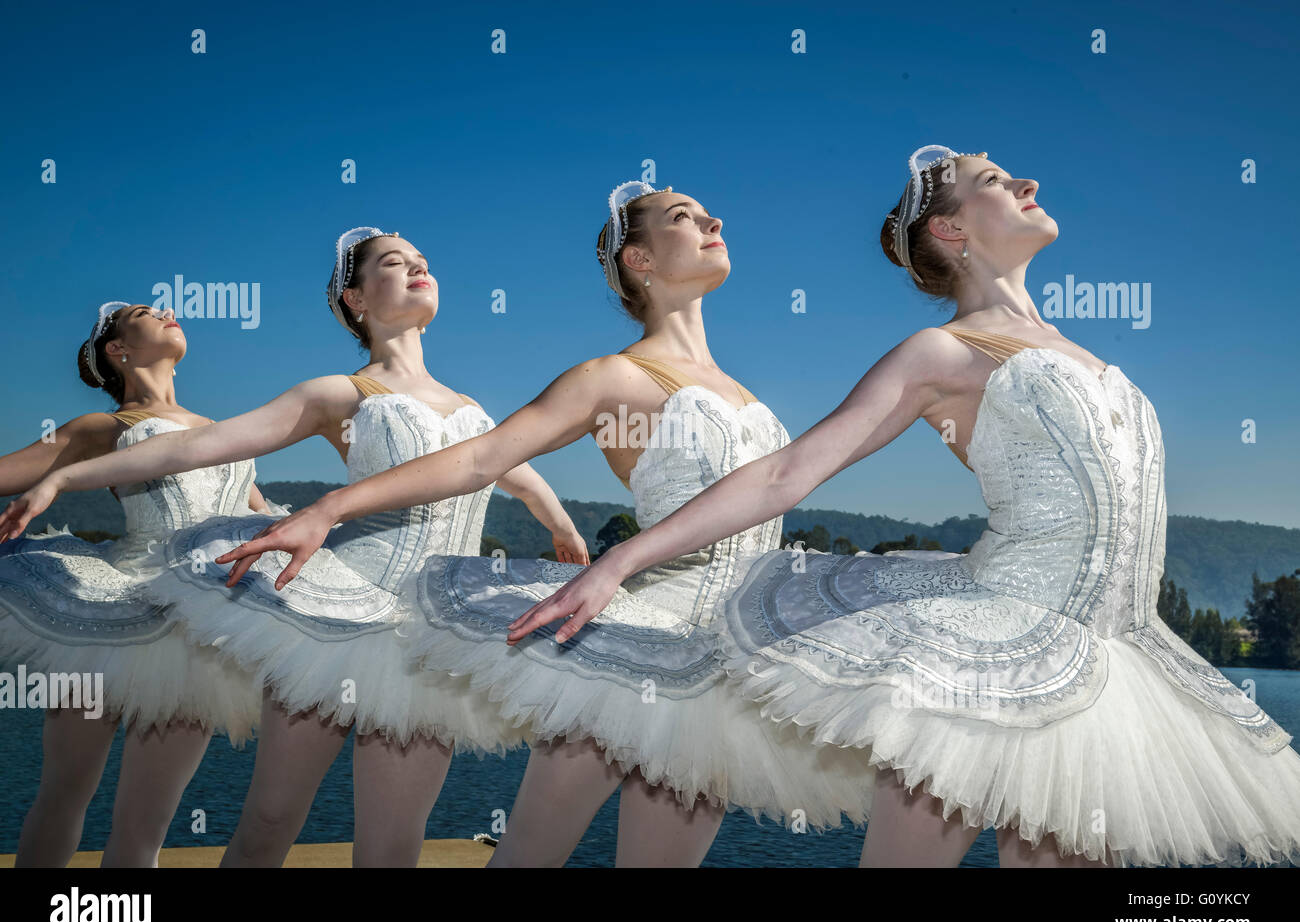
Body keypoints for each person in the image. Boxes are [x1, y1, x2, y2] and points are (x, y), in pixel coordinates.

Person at [506, 146, 1300, 868]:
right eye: (995, 180)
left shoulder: (1085, 353)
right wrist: (622, 559)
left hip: (1116, 660)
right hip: (988, 644)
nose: (1027, 182)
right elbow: (787, 474)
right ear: (951, 230)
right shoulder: (942, 354)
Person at [189, 183, 873, 867]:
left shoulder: (748, 396)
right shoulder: (609, 376)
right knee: (527, 857)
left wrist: (559, 522)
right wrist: (328, 507)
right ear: (640, 258)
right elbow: (484, 457)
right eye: (683, 218)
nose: (713, 220)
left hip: (730, 652)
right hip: (628, 649)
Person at [0, 233, 585, 866]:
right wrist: (61, 477)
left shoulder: (472, 410)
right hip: (330, 621)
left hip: (434, 628)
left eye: (423, 260)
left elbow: (504, 467)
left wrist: (563, 526)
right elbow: (192, 449)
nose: (418, 266)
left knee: (393, 843)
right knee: (273, 815)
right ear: (355, 299)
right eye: (394, 262)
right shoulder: (336, 393)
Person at [0, 301, 270, 866]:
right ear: (117, 351)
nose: (170, 310)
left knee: (146, 825)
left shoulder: (224, 434)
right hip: (102, 618)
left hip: (199, 629)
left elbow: (261, 518)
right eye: (148, 312)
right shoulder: (103, 428)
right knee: (64, 793)